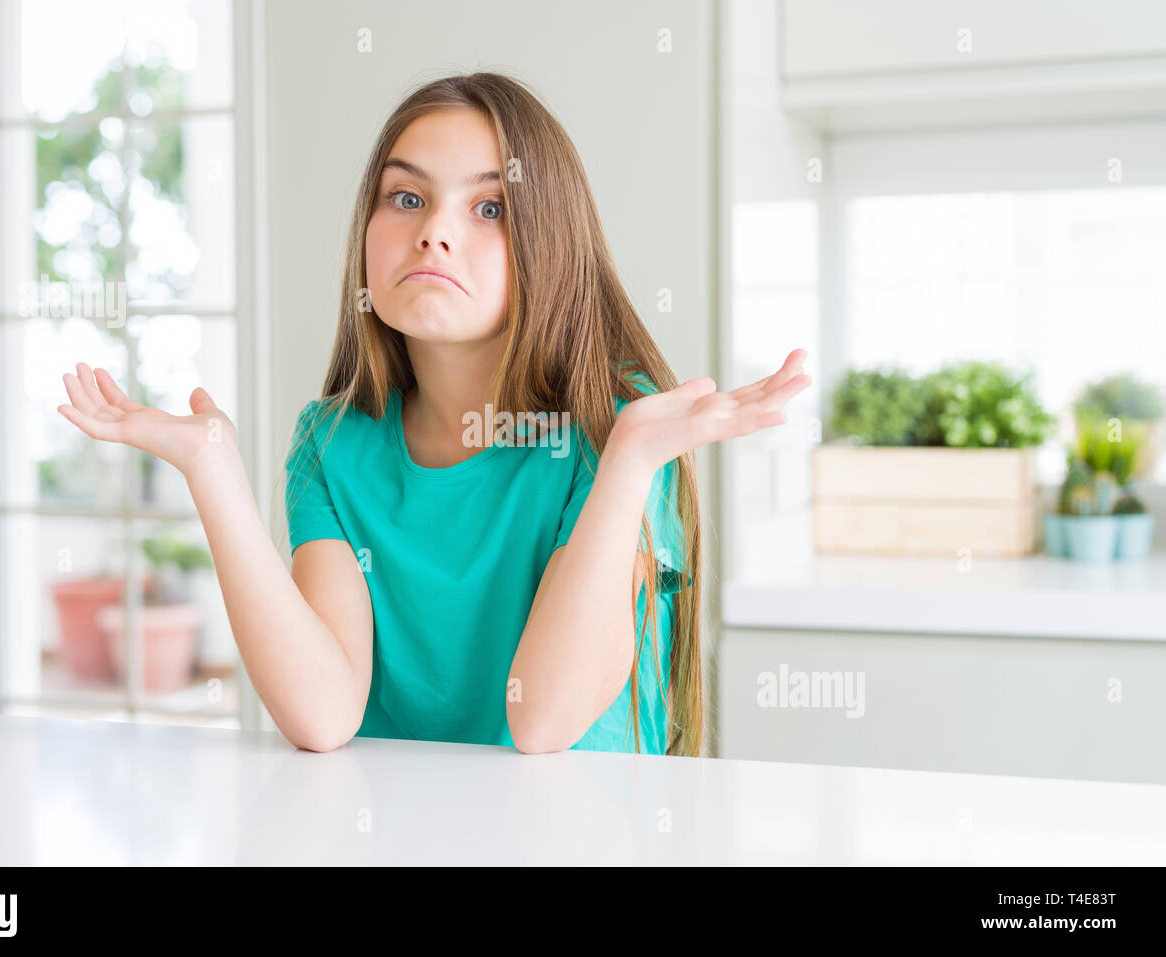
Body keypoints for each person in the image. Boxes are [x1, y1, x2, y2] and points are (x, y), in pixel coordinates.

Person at [58, 72, 810, 757]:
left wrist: (631, 463)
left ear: (551, 241)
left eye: (489, 208)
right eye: (407, 197)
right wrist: (213, 470)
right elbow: (323, 713)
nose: (434, 231)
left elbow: (543, 721)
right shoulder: (332, 446)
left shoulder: (617, 434)